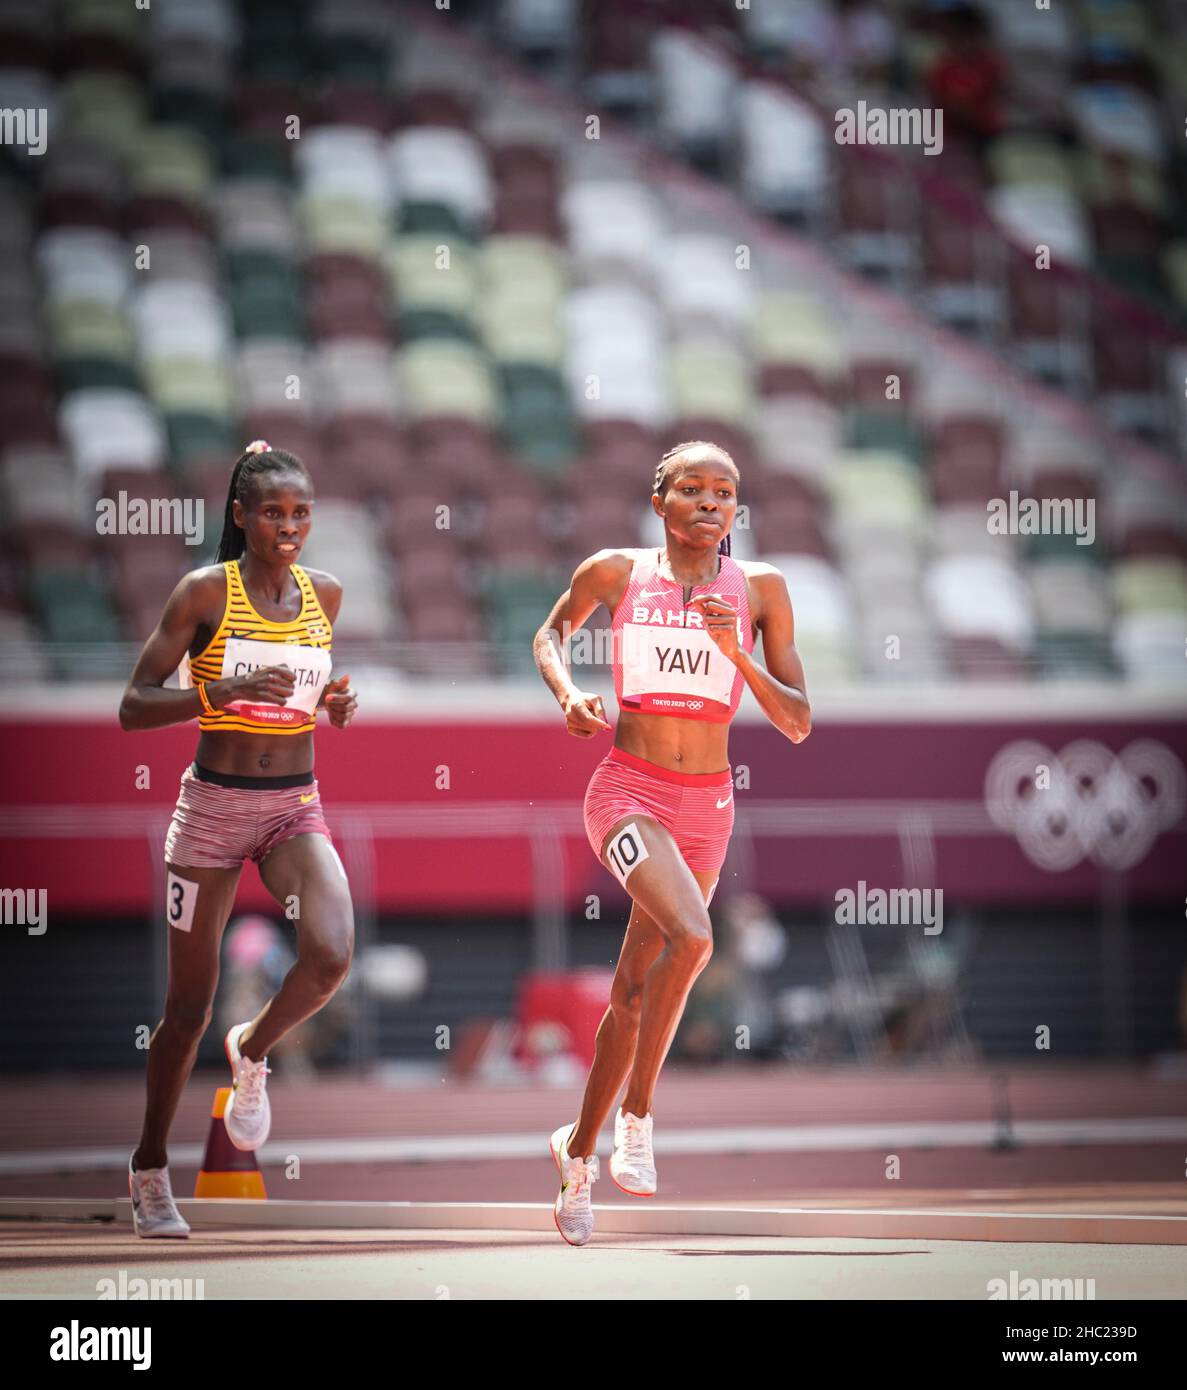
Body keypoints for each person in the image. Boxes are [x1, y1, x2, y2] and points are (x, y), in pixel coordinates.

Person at [532, 439, 812, 1244]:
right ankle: (639, 1118)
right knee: (692, 939)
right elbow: (550, 635)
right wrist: (567, 695)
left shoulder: (761, 591)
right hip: (626, 791)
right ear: (659, 502)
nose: (708, 503)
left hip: (708, 807)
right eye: (690, 489)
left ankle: (575, 1153)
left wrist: (737, 655)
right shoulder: (615, 573)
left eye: (723, 492)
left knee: (628, 995)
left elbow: (796, 722)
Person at [118, 440, 358, 1238]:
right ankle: (150, 1167)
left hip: (293, 803)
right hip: (214, 810)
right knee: (185, 1009)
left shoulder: (324, 592)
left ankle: (252, 1051)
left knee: (329, 954)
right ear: (241, 516)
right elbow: (132, 704)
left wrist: (334, 705)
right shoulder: (202, 593)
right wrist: (213, 690)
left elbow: (306, 692)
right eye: (273, 512)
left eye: (300, 514)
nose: (289, 526)